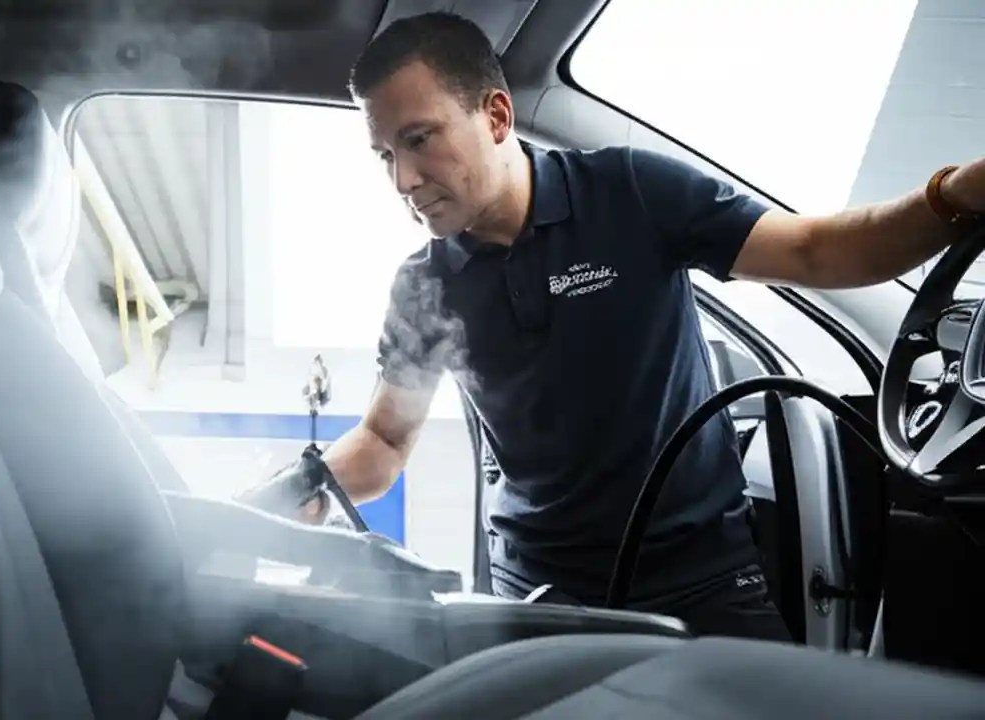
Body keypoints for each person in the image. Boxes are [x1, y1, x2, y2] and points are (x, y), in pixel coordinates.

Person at [242, 11, 985, 640]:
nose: (401, 181)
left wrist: (956, 196)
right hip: (537, 600)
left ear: (496, 116)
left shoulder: (630, 192)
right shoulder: (424, 285)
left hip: (705, 582)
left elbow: (820, 249)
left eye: (418, 139)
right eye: (383, 154)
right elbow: (383, 442)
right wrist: (278, 498)